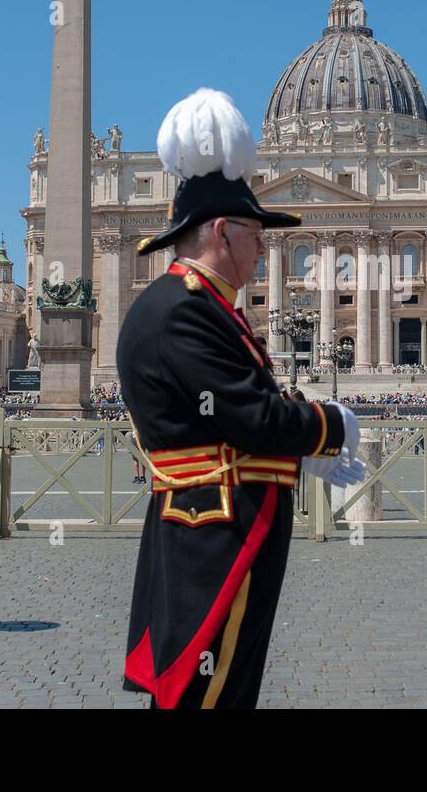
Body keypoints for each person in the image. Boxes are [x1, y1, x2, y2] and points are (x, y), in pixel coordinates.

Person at [118, 89, 365, 709]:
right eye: (257, 235)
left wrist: (297, 452)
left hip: (213, 524)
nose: (264, 250)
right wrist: (331, 425)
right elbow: (251, 416)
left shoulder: (195, 305)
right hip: (218, 536)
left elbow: (225, 420)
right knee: (212, 693)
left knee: (212, 691)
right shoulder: (186, 312)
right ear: (223, 233)